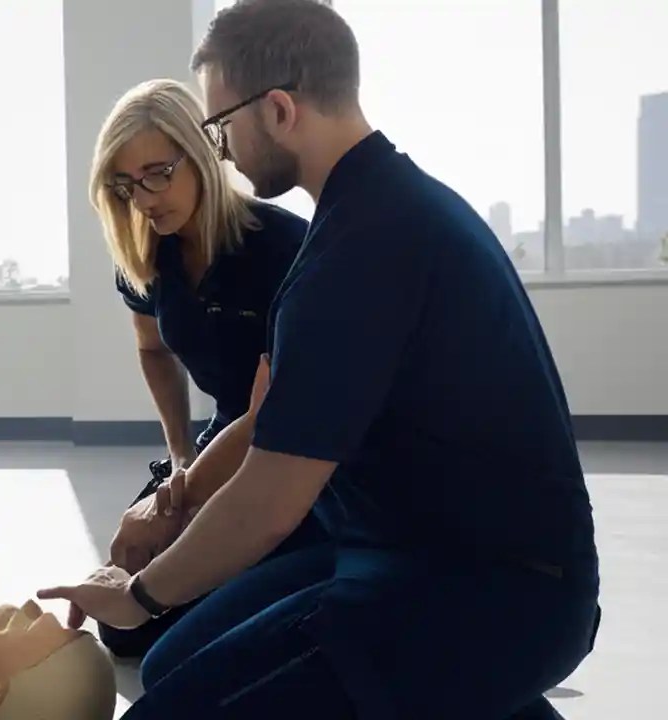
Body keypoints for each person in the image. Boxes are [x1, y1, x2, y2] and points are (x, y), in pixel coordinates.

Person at [41, 2, 601, 719]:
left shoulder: (356, 250)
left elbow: (271, 501)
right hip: (403, 550)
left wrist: (136, 592)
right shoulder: (383, 207)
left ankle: (486, 682)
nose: (223, 147)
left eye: (220, 126)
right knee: (174, 658)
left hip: (484, 590)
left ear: (276, 110)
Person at [89, 78, 328, 659]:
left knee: (195, 627)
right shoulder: (146, 256)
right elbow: (152, 349)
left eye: (157, 174)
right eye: (125, 186)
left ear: (201, 154)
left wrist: (176, 499)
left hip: (293, 455)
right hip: (221, 440)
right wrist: (179, 458)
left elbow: (273, 413)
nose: (143, 199)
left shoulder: (282, 246)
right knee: (122, 628)